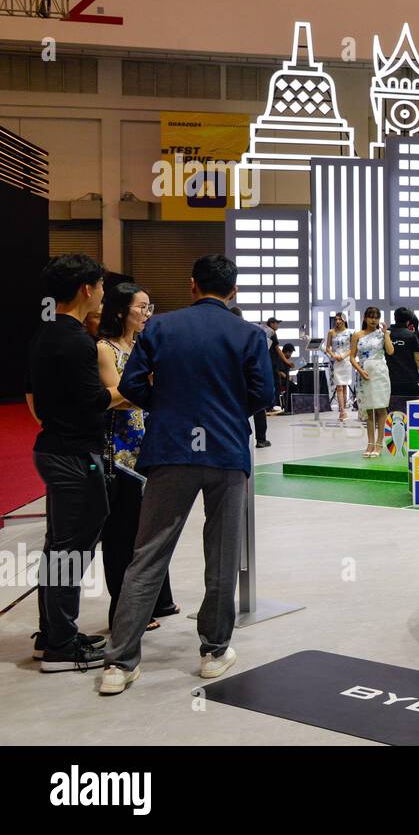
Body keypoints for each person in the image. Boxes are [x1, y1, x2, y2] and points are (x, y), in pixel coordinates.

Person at [98, 254, 275, 695]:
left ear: (192, 285)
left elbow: (133, 387)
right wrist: (228, 413)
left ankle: (119, 664)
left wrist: (172, 409)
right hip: (226, 452)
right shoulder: (249, 334)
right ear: (233, 291)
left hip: (170, 450)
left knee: (148, 554)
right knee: (221, 555)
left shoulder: (159, 328)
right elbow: (265, 393)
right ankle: (214, 653)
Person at [26, 254, 125, 671]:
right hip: (72, 456)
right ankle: (61, 647)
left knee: (59, 547)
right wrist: (134, 389)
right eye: (101, 285)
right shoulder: (75, 341)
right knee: (69, 550)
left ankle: (55, 633)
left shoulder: (48, 334)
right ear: (87, 289)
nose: (103, 292)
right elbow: (94, 403)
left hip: (55, 448)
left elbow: (34, 398)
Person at [95, 283, 178, 635]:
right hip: (119, 455)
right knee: (122, 536)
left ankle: (156, 599)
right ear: (120, 311)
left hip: (148, 449)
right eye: (140, 308)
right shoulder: (104, 349)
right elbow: (114, 397)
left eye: (149, 307)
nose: (147, 314)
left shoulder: (143, 347)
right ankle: (124, 611)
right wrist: (149, 388)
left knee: (152, 530)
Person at [351, 306, 393, 457]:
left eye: (376, 316)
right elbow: (351, 357)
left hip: (380, 372)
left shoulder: (382, 334)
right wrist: (360, 370)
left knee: (381, 409)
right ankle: (370, 443)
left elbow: (390, 351)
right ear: (365, 318)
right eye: (371, 316)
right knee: (369, 410)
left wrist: (386, 334)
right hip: (364, 373)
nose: (374, 319)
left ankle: (379, 444)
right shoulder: (357, 335)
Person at [386, 306, 419, 400]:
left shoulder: (386, 333)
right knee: (410, 407)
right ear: (408, 321)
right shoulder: (411, 335)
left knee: (392, 409)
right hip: (409, 378)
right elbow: (417, 359)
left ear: (395, 318)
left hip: (389, 378)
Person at [326, 312, 352, 423]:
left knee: (345, 386)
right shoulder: (331, 332)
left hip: (346, 360)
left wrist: (344, 356)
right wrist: (334, 356)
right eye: (336, 319)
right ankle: (342, 411)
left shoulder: (350, 332)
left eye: (340, 319)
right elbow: (328, 348)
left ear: (344, 320)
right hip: (336, 360)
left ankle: (344, 408)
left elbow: (353, 347)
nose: (337, 321)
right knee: (339, 387)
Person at [263, 318, 287, 415]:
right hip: (272, 364)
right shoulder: (272, 333)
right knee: (274, 384)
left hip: (267, 363)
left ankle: (269, 406)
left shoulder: (264, 333)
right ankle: (271, 406)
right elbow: (278, 349)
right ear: (271, 324)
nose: (278, 325)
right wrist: (286, 361)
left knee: (270, 384)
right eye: (276, 323)